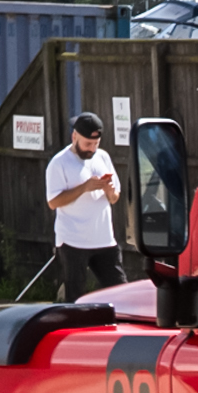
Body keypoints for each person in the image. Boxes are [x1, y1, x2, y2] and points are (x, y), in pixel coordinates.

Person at [46, 112, 124, 296]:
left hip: (104, 239)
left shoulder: (103, 157)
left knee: (121, 291)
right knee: (76, 296)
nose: (92, 149)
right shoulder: (59, 163)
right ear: (74, 136)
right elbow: (53, 202)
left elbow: (114, 198)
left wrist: (109, 191)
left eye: (96, 143)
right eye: (88, 144)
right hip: (73, 241)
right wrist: (84, 188)